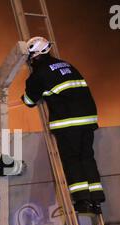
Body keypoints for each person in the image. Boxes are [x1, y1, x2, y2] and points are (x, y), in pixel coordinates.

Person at [21, 36, 105, 215]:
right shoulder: (67, 65)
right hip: (88, 119)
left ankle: (82, 201)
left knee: (72, 159)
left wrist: (26, 93)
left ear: (34, 56)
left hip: (69, 122)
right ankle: (96, 199)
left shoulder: (39, 73)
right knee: (87, 157)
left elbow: (29, 100)